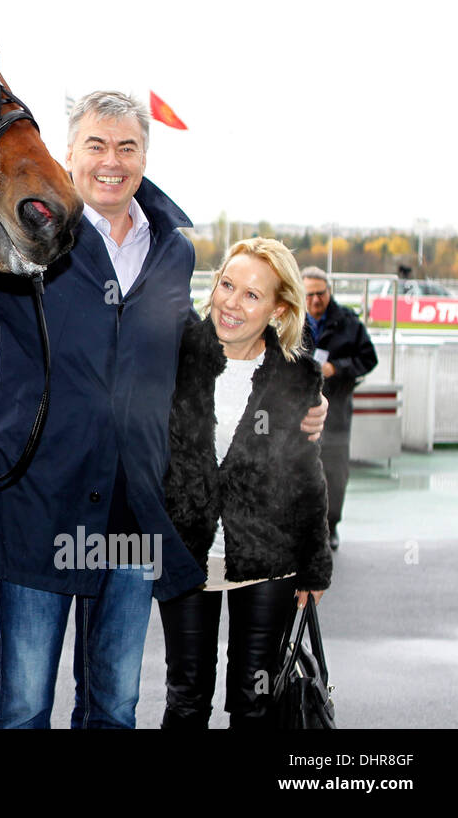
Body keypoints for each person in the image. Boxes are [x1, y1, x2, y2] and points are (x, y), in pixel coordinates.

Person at [0, 91, 326, 729]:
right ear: (68, 154)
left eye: (127, 147)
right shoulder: (27, 225)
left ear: (144, 156)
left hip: (132, 511)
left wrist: (298, 393)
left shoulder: (173, 252)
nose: (111, 161)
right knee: (22, 706)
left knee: (115, 708)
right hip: (38, 498)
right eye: (96, 144)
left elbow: (199, 347)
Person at [159, 238, 332, 728]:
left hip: (268, 561)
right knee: (186, 697)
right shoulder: (177, 354)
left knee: (255, 703)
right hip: (188, 555)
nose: (231, 303)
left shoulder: (297, 376)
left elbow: (306, 475)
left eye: (252, 295)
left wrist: (315, 567)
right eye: (227, 285)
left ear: (279, 308)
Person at [301, 266, 378, 550]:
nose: (315, 300)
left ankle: (331, 526)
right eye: (309, 295)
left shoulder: (349, 322)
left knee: (335, 472)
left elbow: (369, 359)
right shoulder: (291, 320)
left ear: (329, 292)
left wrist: (338, 368)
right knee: (299, 468)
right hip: (300, 412)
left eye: (321, 294)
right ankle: (304, 527)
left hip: (337, 411)